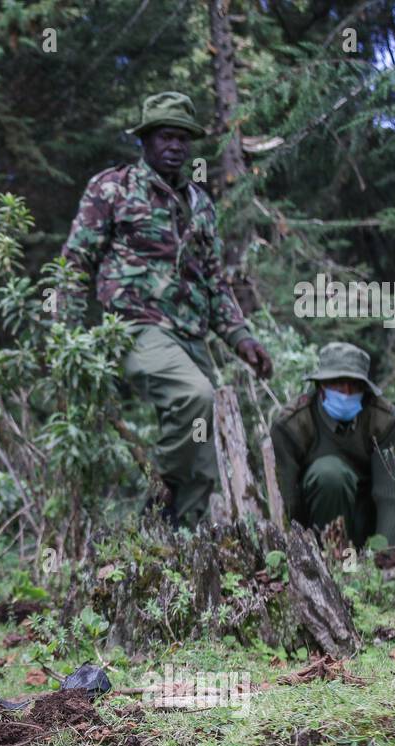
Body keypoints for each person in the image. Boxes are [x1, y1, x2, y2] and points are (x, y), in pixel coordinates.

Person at [62, 90, 273, 526]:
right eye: (164, 137)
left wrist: (242, 338)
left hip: (191, 336)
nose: (174, 147)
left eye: (182, 138)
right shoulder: (113, 188)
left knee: (205, 440)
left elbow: (215, 283)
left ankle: (179, 545)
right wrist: (63, 334)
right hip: (137, 328)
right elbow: (75, 262)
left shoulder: (201, 205)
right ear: (145, 141)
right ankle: (158, 507)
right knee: (193, 396)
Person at [270, 342, 395, 553]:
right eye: (338, 383)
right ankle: (339, 563)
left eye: (355, 385)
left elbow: (390, 491)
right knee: (330, 473)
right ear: (321, 385)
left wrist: (387, 554)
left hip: (372, 517)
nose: (346, 392)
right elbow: (288, 504)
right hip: (322, 521)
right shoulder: (292, 425)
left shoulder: (381, 418)